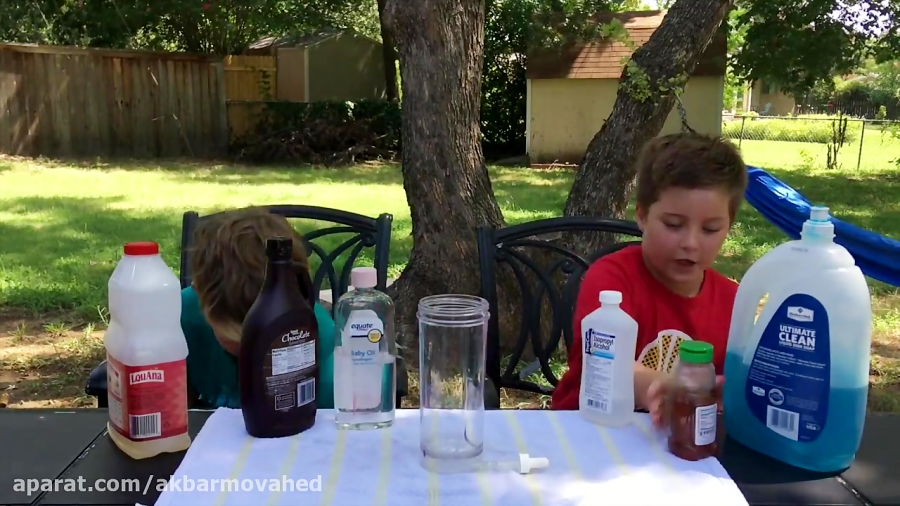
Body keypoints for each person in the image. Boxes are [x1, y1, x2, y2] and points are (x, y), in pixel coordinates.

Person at [551, 132, 749, 427]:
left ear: (729, 227)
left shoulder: (734, 302)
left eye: (710, 229)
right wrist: (659, 387)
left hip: (674, 448)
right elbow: (604, 361)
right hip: (585, 431)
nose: (691, 243)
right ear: (642, 216)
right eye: (673, 224)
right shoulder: (611, 279)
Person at [180, 207, 336, 409]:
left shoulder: (320, 342)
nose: (255, 356)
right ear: (200, 295)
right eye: (241, 344)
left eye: (269, 345)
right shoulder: (179, 316)